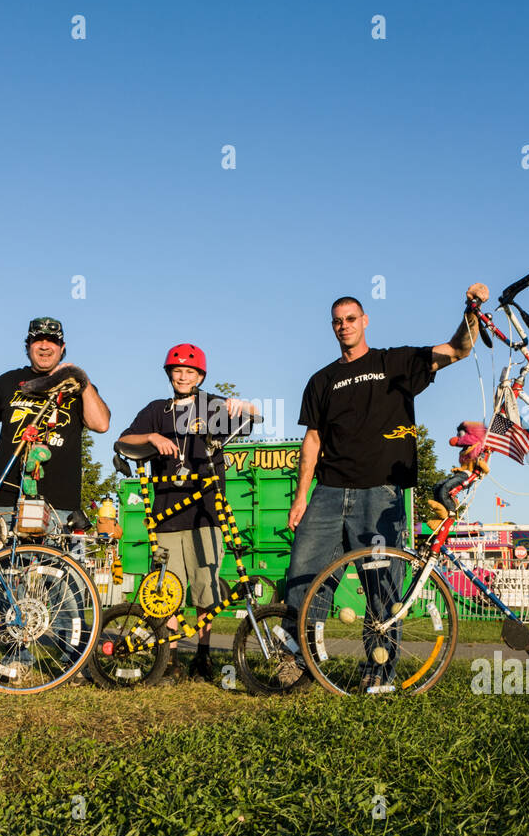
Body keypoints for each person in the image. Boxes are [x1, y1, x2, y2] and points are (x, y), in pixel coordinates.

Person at [284, 286, 488, 687]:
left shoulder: (395, 362)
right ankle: (297, 665)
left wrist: (472, 310)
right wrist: (300, 496)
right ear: (333, 327)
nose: (345, 326)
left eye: (351, 319)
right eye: (338, 321)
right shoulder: (321, 380)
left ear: (365, 322)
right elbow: (312, 440)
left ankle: (378, 672)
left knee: (382, 587)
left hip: (379, 494)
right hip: (326, 494)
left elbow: (459, 349)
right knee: (303, 580)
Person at [0, 316, 110, 681]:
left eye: (52, 342)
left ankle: (73, 659)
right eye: (37, 341)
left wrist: (82, 379)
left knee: (61, 581)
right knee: (8, 582)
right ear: (27, 345)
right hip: (6, 500)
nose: (44, 346)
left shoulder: (75, 385)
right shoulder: (10, 382)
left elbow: (101, 423)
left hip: (58, 503)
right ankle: (19, 656)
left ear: (62, 347)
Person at [118, 344, 257, 681]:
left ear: (200, 376)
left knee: (205, 588)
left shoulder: (211, 406)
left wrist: (244, 407)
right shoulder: (156, 411)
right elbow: (123, 442)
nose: (183, 376)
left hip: (205, 515)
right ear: (169, 374)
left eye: (190, 372)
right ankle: (171, 659)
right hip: (166, 514)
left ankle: (204, 657)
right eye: (177, 371)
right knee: (169, 593)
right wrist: (152, 437)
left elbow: (250, 418)